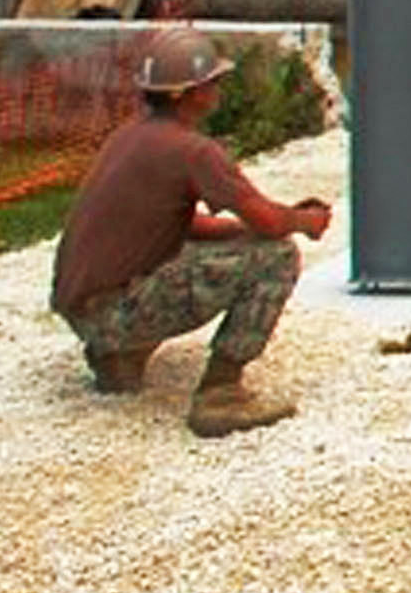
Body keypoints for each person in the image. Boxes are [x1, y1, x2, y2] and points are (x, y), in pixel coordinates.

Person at [50, 29, 329, 436]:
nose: (218, 89)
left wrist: (238, 231)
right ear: (186, 93)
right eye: (211, 82)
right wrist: (304, 221)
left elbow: (177, 222)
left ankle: (118, 358)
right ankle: (221, 393)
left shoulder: (129, 136)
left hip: (84, 311)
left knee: (215, 249)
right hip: (116, 313)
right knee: (277, 255)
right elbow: (268, 222)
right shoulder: (194, 151)